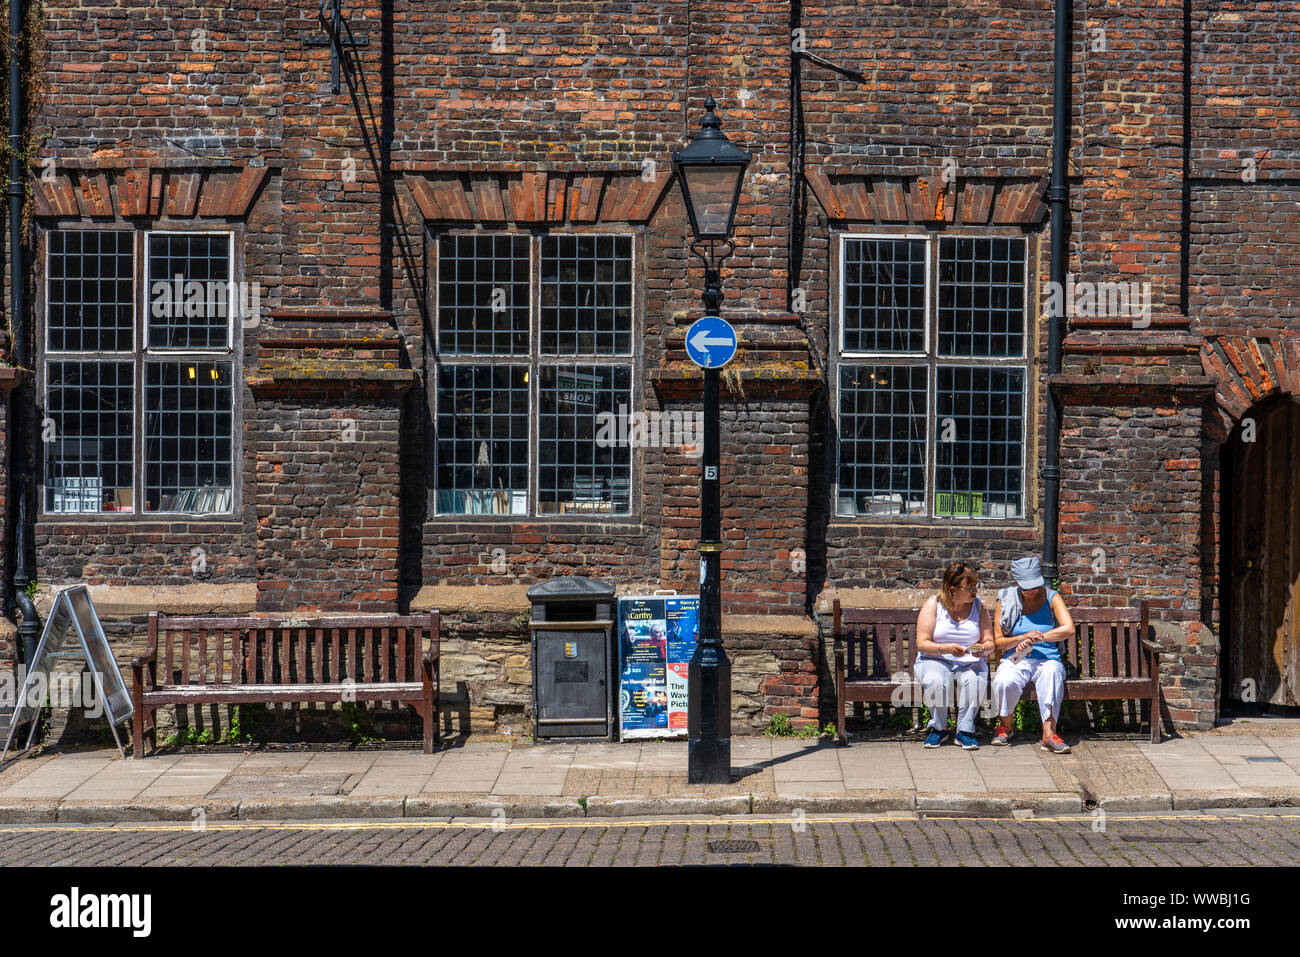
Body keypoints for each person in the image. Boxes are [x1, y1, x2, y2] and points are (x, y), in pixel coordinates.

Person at [990, 556, 1075, 753]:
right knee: (1004, 679)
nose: (1031, 590)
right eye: (1026, 587)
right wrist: (1021, 639)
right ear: (1017, 583)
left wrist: (1040, 638)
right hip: (1017, 658)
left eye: (1034, 585)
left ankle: (1049, 734)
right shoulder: (1005, 599)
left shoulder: (1051, 597)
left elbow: (1068, 629)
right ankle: (1005, 726)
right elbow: (998, 642)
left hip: (1047, 659)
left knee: (1052, 673)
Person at [913, 560, 995, 749]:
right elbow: (922, 643)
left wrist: (985, 648)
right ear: (953, 589)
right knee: (935, 680)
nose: (975, 591)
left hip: (969, 659)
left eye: (976, 586)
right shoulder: (934, 604)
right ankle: (939, 729)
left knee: (976, 678)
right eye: (970, 588)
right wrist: (947, 648)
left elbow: (989, 640)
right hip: (936, 657)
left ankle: (964, 731)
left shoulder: (978, 606)